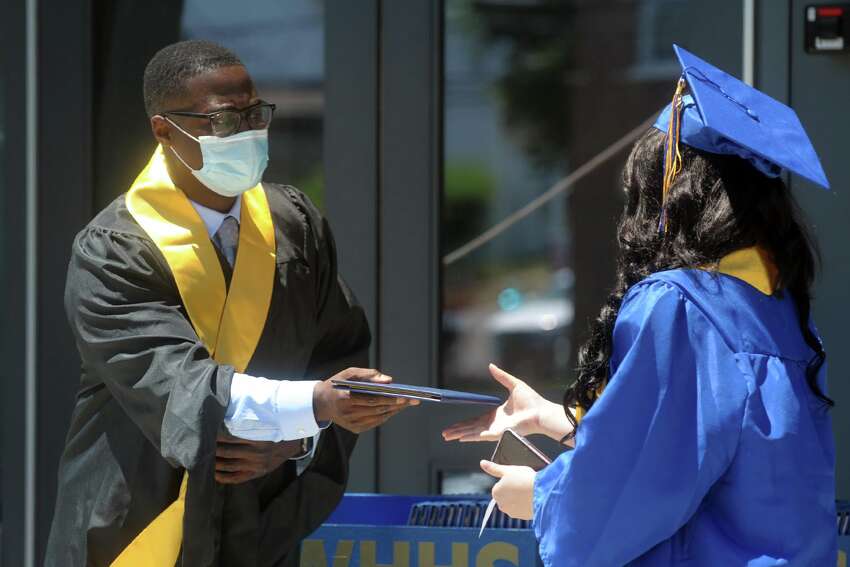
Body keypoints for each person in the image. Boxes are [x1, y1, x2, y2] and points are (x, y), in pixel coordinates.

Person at [443, 45, 836, 566]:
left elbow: (631, 494)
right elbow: (698, 447)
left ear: (673, 197)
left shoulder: (682, 307)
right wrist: (555, 418)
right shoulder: (781, 314)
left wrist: (540, 497)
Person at [46, 40, 416, 566]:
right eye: (222, 121)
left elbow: (333, 357)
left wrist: (293, 441)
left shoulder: (293, 224)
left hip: (258, 530)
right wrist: (312, 406)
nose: (245, 133)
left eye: (254, 114)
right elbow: (180, 385)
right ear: (163, 129)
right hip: (138, 526)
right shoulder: (115, 250)